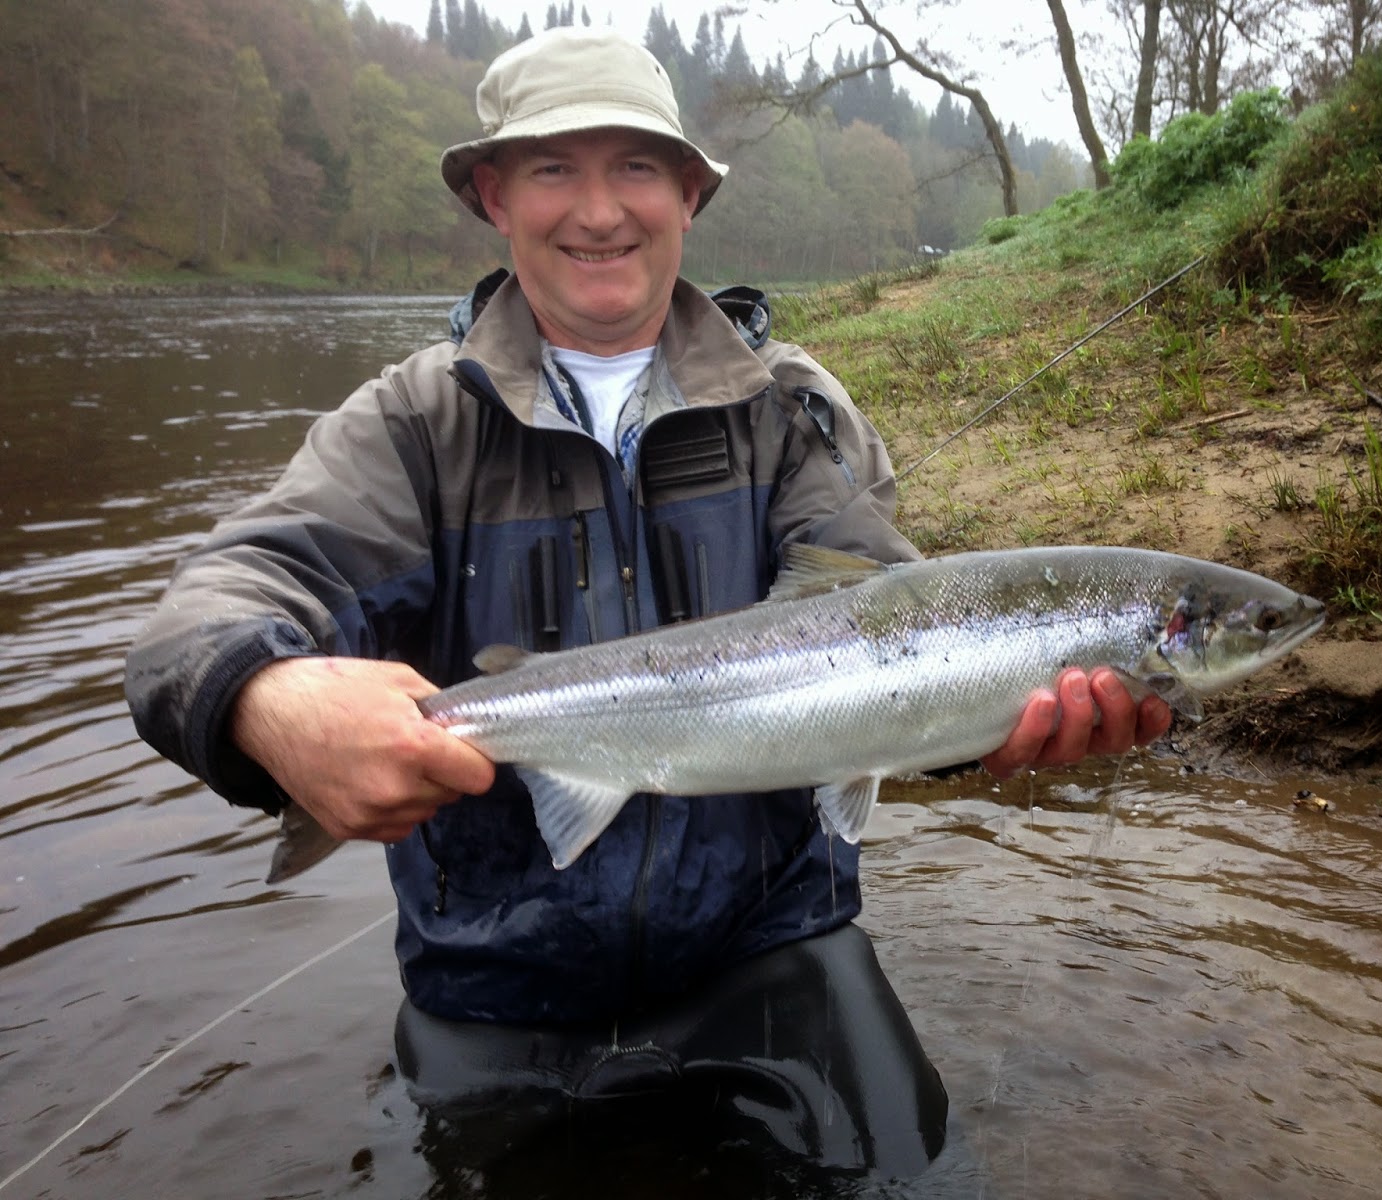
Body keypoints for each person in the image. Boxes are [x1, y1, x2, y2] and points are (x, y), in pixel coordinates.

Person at [124, 26, 1169, 1182]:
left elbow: (895, 670)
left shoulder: (795, 413)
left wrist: (992, 723)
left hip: (775, 957)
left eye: (634, 167)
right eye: (552, 169)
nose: (599, 210)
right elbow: (203, 615)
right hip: (493, 989)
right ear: (493, 196)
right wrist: (267, 700)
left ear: (688, 194)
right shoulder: (409, 426)